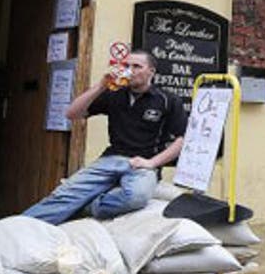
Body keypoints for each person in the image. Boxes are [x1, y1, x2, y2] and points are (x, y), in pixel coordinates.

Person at [22, 50, 187, 224]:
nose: (130, 70)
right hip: (110, 159)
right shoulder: (114, 94)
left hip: (142, 164)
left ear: (151, 71)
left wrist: (152, 163)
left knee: (136, 197)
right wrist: (101, 85)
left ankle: (88, 207)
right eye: (126, 66)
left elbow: (182, 140)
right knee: (64, 194)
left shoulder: (167, 100)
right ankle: (17, 227)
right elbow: (72, 114)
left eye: (136, 66)